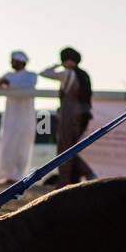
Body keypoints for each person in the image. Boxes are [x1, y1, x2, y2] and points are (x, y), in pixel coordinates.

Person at [40, 47, 96, 186]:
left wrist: (57, 65)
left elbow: (44, 73)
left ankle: (73, 178)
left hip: (69, 115)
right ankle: (82, 176)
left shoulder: (68, 73)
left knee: (64, 150)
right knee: (71, 149)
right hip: (81, 116)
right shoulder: (83, 74)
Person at [0, 50, 38, 185]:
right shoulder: (8, 75)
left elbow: (25, 88)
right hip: (10, 117)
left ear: (20, 62)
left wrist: (8, 84)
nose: (11, 63)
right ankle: (6, 175)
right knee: (7, 145)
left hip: (25, 117)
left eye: (14, 61)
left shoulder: (31, 75)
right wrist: (0, 82)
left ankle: (18, 177)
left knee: (22, 146)